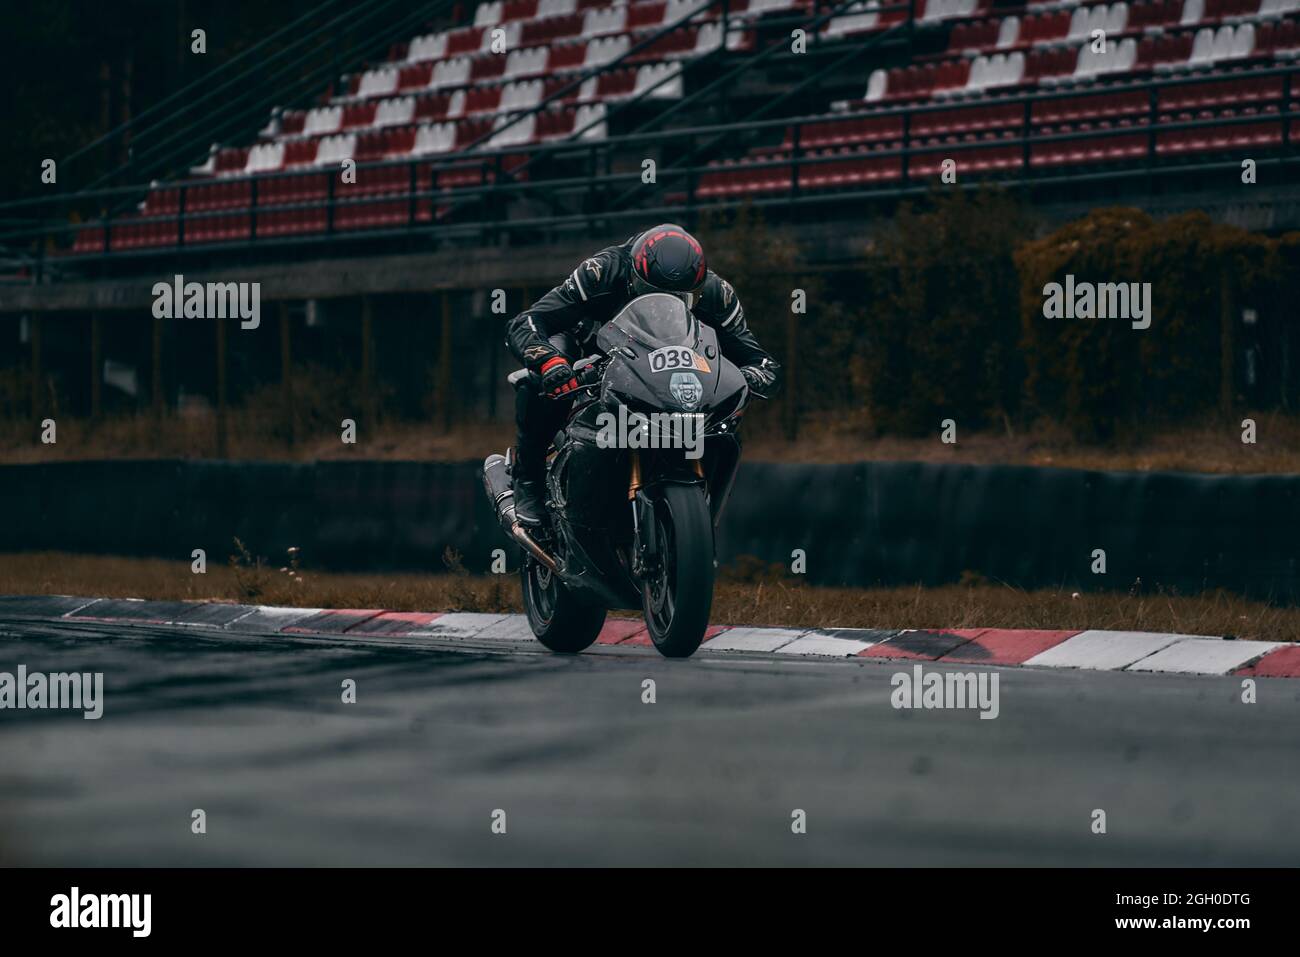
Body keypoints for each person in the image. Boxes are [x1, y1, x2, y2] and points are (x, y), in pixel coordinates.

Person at [505, 223, 782, 526]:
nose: (667, 305)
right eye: (652, 293)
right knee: (546, 378)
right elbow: (530, 321)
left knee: (724, 426)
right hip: (589, 349)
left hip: (668, 379)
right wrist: (550, 362)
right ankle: (528, 479)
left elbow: (761, 361)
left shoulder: (717, 294)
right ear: (635, 278)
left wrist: (751, 376)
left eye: (682, 299)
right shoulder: (603, 271)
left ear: (698, 290)